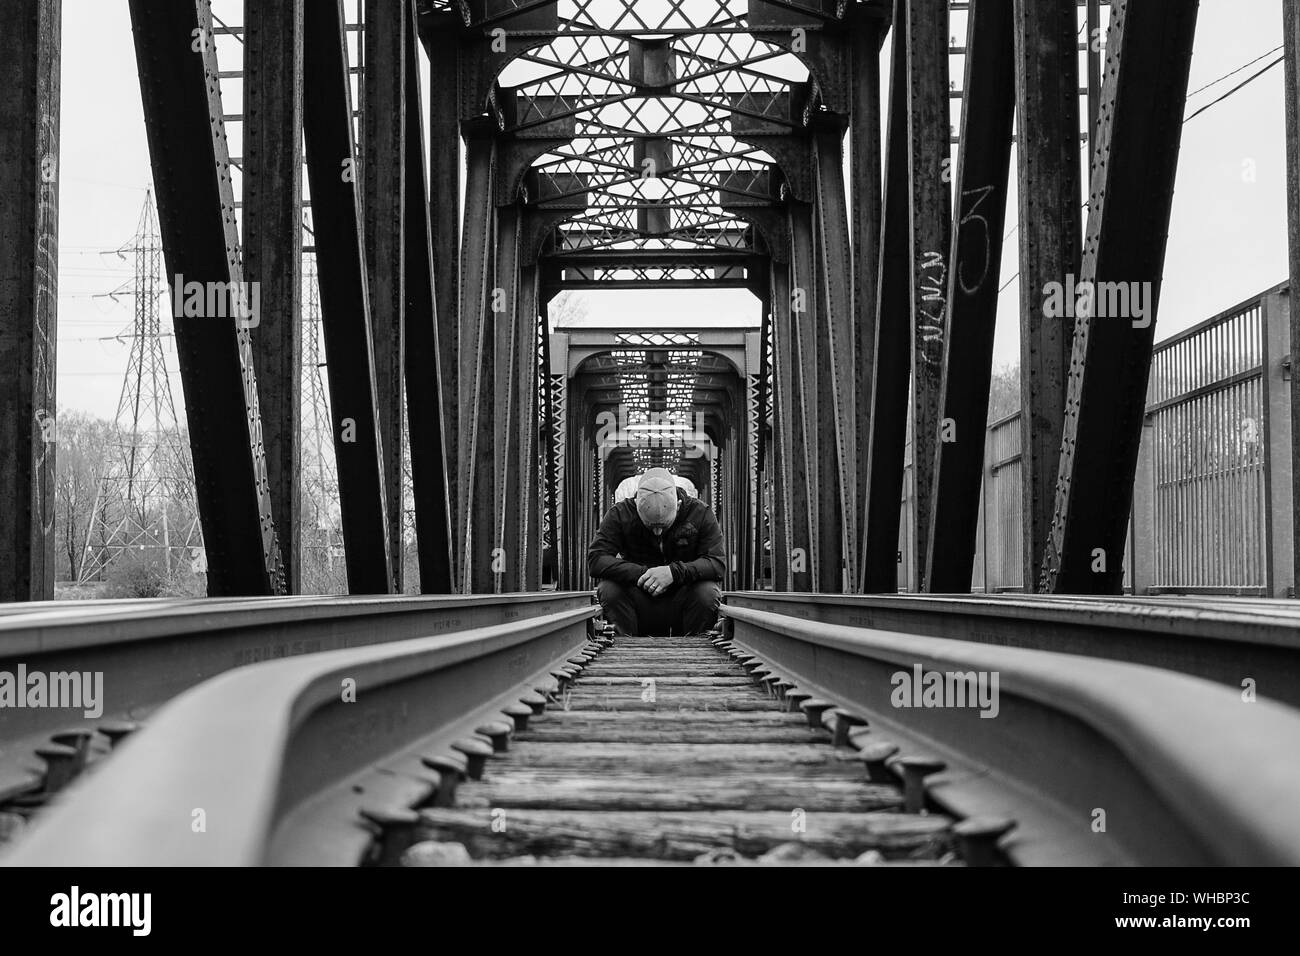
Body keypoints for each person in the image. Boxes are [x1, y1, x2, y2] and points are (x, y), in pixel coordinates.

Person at [587, 467, 724, 635]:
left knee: (707, 592)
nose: (657, 533)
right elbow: (596, 559)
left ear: (678, 505)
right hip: (639, 598)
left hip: (683, 599)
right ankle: (625, 645)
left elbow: (717, 563)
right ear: (637, 504)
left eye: (664, 526)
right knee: (609, 589)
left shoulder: (700, 513)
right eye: (650, 526)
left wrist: (673, 572)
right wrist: (643, 574)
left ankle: (697, 645)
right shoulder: (620, 514)